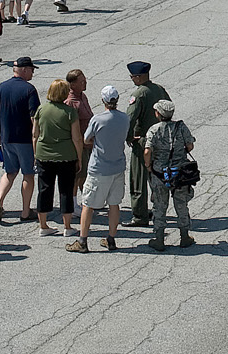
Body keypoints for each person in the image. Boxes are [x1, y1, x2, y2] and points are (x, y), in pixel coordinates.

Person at [78, 86, 130, 252]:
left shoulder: (98, 119)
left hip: (99, 168)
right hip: (118, 166)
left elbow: (86, 139)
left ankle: (83, 241)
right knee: (114, 204)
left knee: (88, 204)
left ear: (103, 101)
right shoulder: (125, 118)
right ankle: (111, 239)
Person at [142, 96, 197, 250]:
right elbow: (190, 145)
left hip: (160, 173)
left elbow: (147, 151)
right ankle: (185, 236)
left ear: (158, 114)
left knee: (159, 206)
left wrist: (148, 165)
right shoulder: (181, 127)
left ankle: (159, 239)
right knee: (181, 204)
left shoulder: (154, 130)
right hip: (179, 172)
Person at [33, 79, 83, 243]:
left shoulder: (41, 109)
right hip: (66, 156)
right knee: (66, 190)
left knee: (44, 188)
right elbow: (76, 138)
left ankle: (43, 225)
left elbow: (35, 134)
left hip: (44, 154)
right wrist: (79, 157)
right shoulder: (69, 112)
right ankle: (67, 227)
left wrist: (36, 154)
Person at [0, 58, 40, 222]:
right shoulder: (29, 90)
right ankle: (26, 211)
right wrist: (37, 140)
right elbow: (35, 118)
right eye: (32, 70)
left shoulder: (1, 87)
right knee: (28, 174)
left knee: (10, 172)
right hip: (25, 140)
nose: (32, 73)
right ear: (25, 70)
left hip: (6, 139)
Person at [125, 60, 168, 223]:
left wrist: (129, 137)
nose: (132, 79)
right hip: (160, 138)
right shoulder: (159, 89)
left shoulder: (139, 94)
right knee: (157, 177)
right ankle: (159, 209)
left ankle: (140, 215)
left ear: (139, 77)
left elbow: (130, 118)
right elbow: (168, 108)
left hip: (143, 140)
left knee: (138, 178)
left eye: (133, 77)